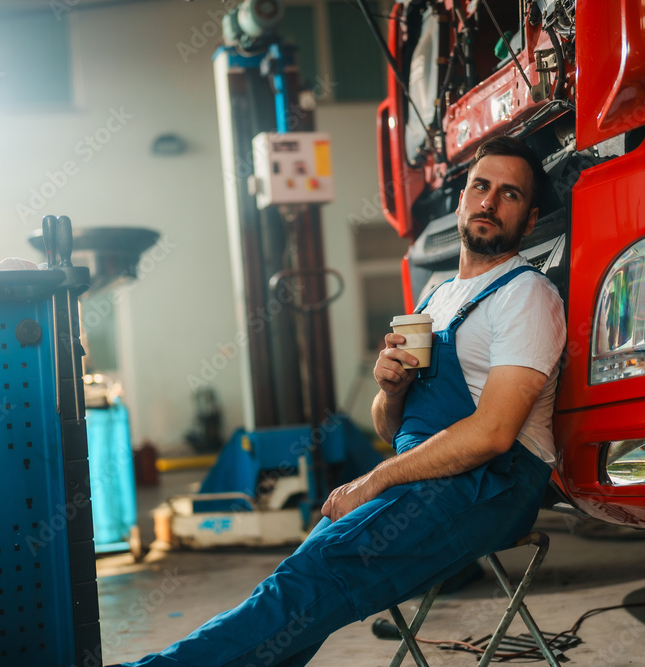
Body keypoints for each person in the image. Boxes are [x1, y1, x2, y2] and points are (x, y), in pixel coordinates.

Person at [119, 135, 567, 667]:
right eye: (480, 187)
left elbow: (493, 432)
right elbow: (389, 428)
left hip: (494, 483)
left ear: (531, 218)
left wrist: (376, 478)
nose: (490, 203)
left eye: (509, 194)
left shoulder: (526, 295)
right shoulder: (437, 298)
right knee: (302, 583)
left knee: (314, 576)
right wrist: (390, 390)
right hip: (427, 473)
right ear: (461, 199)